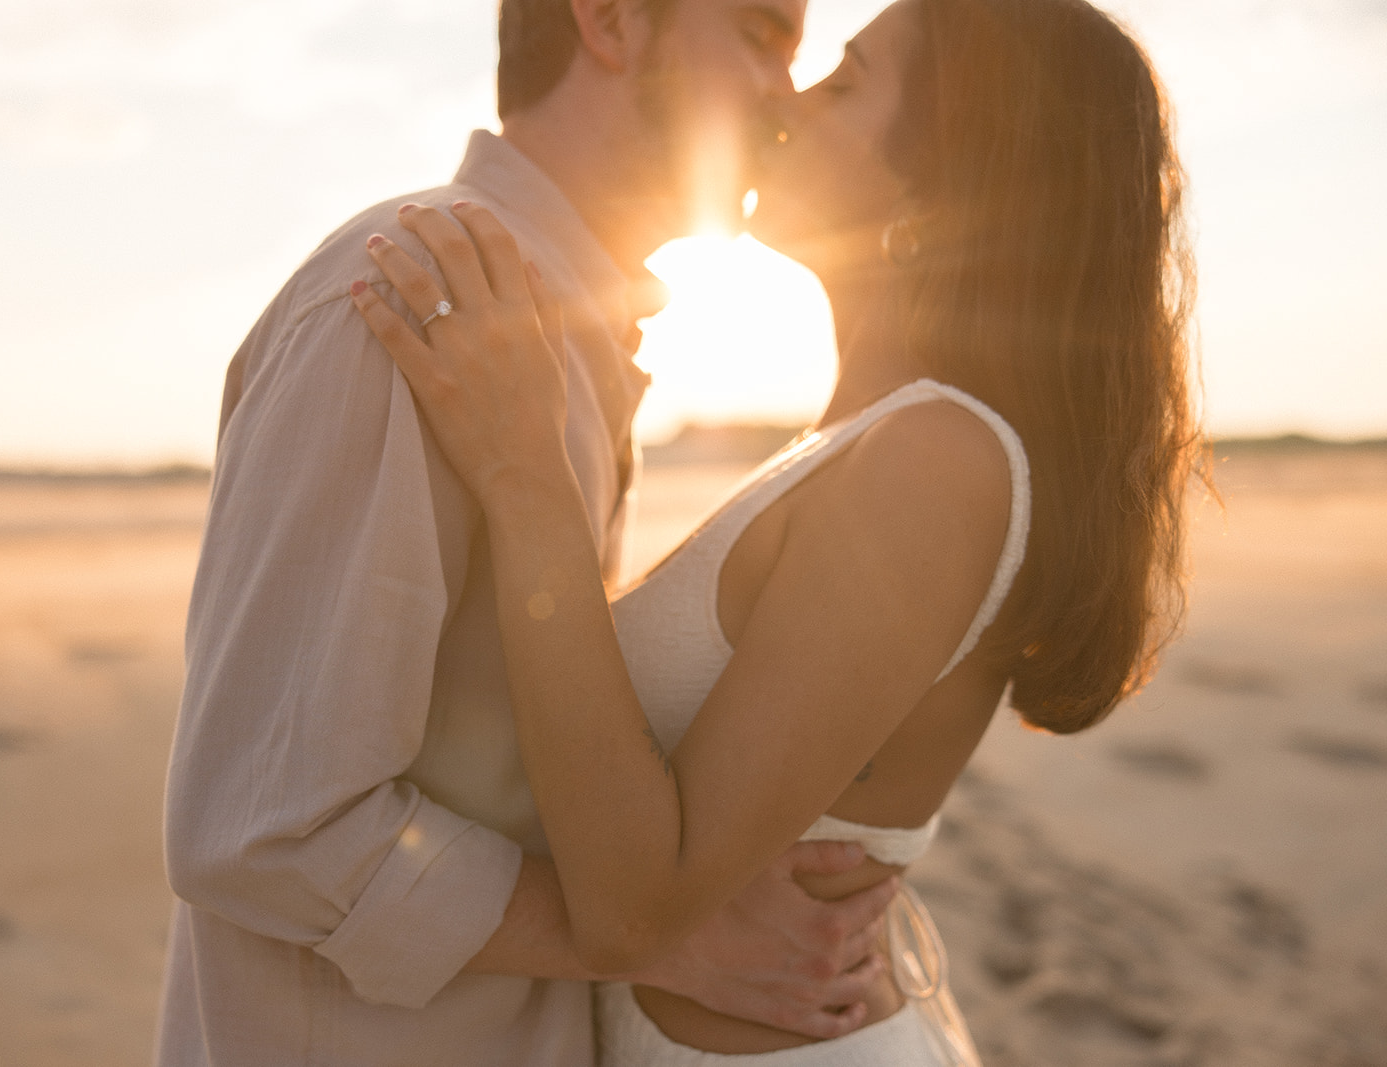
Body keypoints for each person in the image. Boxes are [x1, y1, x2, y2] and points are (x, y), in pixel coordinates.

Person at [350, 0, 1206, 1061]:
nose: (782, 99)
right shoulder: (863, 444)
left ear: (942, 185)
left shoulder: (933, 463)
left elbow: (632, 907)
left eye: (841, 82)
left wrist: (525, 474)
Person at [156, 1, 908, 1065]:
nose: (786, 94)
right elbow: (266, 828)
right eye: (758, 32)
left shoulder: (554, 334)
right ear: (609, 20)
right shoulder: (407, 301)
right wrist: (651, 939)